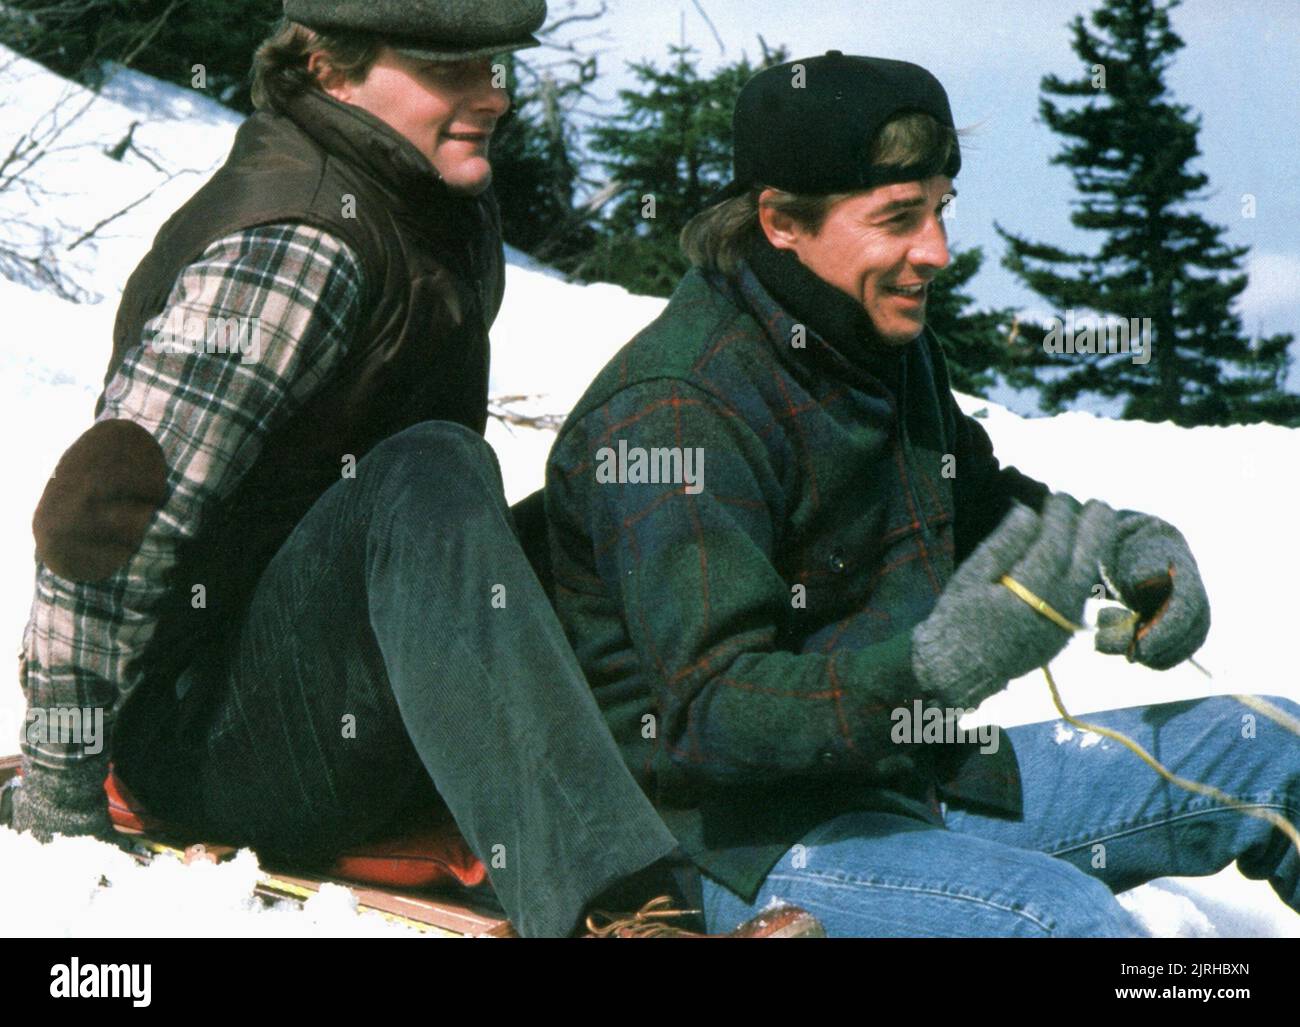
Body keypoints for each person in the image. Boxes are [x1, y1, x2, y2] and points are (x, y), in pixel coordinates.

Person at [5, 0, 821, 939]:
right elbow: (101, 520)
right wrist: (63, 799)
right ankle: (617, 910)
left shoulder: (426, 199)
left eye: (497, 64)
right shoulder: (298, 240)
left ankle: (770, 781)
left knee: (606, 499)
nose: (494, 95)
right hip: (211, 742)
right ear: (328, 68)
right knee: (426, 471)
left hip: (328, 681)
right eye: (450, 69)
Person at [543, 50, 1300, 936]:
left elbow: (982, 506)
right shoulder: (677, 412)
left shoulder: (875, 339)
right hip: (743, 846)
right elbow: (711, 717)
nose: (935, 251)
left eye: (940, 209)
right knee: (1062, 922)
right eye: (898, 218)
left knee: (1272, 748)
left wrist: (1120, 551)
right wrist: (931, 670)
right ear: (782, 220)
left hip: (918, 774)